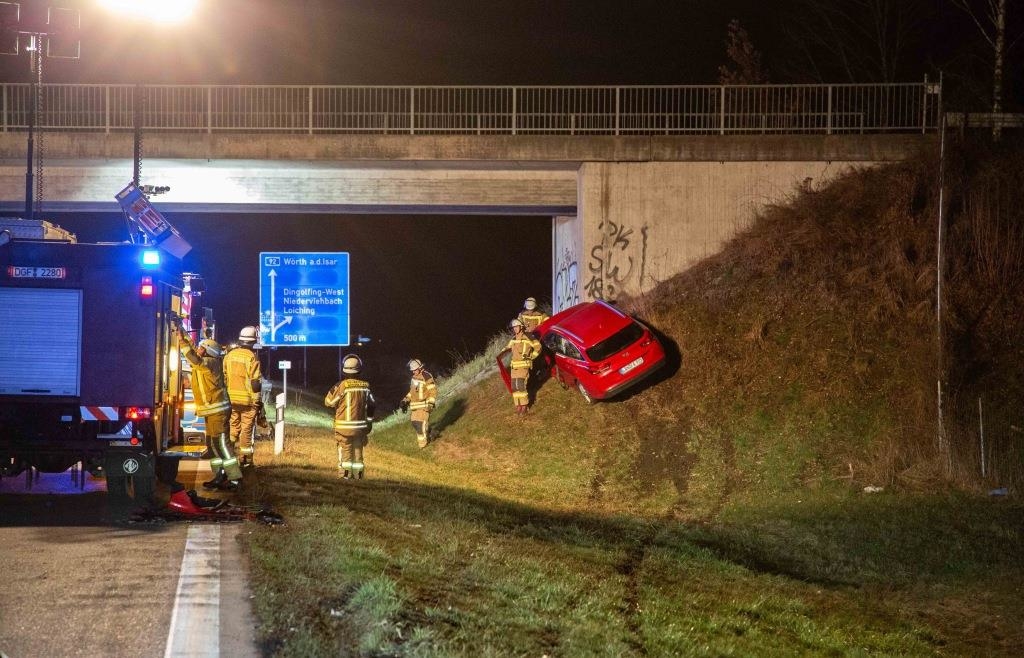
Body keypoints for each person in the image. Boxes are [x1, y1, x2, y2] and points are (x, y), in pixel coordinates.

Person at [175, 321, 242, 491]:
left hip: (218, 412)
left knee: (222, 444)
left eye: (201, 348)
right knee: (212, 445)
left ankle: (234, 478)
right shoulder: (205, 361)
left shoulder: (209, 363)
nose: (198, 349)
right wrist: (181, 331)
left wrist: (181, 341)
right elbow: (193, 350)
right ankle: (219, 476)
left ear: (208, 351)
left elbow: (194, 358)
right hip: (212, 412)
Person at [324, 354, 376, 479]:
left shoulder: (341, 386)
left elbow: (329, 402)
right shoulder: (365, 386)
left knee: (345, 453)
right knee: (358, 453)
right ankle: (358, 476)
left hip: (343, 429)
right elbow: (372, 405)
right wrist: (369, 422)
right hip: (360, 429)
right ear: (360, 370)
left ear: (344, 370)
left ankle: (346, 476)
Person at [223, 325, 263, 478]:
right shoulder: (252, 357)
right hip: (247, 402)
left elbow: (224, 378)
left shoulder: (229, 356)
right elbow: (255, 384)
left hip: (231, 400)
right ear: (253, 342)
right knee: (246, 431)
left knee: (233, 429)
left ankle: (228, 457)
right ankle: (245, 461)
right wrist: (258, 403)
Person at [506, 318, 541, 413]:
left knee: (521, 385)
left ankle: (524, 405)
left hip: (523, 366)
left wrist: (531, 357)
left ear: (521, 327)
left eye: (516, 327)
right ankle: (518, 405)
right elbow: (506, 348)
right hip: (514, 367)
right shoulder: (513, 339)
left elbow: (538, 347)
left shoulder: (528, 336)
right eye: (513, 327)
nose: (515, 329)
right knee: (514, 386)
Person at [400, 358, 437, 448]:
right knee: (414, 423)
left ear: (420, 368)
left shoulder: (426, 376)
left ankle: (423, 445)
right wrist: (405, 400)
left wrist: (431, 404)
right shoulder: (414, 378)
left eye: (415, 370)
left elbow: (433, 391)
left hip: (424, 405)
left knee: (420, 425)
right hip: (415, 406)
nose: (413, 372)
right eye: (412, 370)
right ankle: (431, 433)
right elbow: (412, 392)